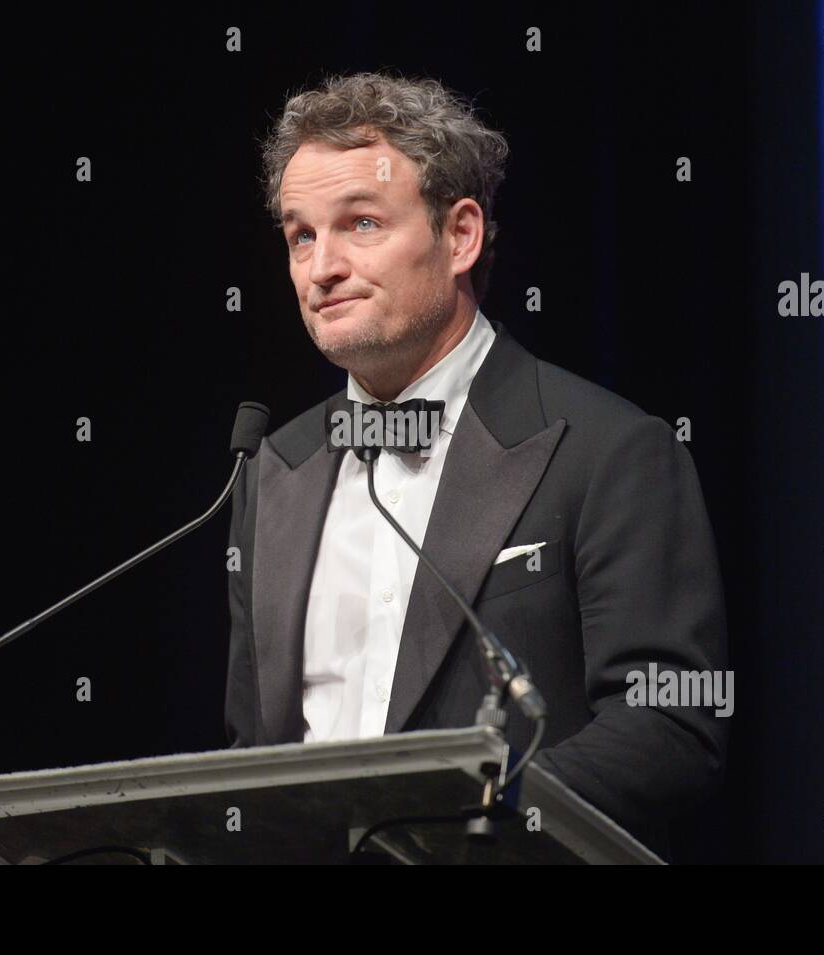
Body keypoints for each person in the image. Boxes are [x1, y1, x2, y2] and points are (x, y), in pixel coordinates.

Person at [224, 71, 728, 859]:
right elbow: (248, 754)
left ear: (460, 236)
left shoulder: (609, 451)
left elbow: (667, 724)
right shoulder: (272, 472)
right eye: (300, 235)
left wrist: (457, 818)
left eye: (360, 224)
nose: (321, 267)